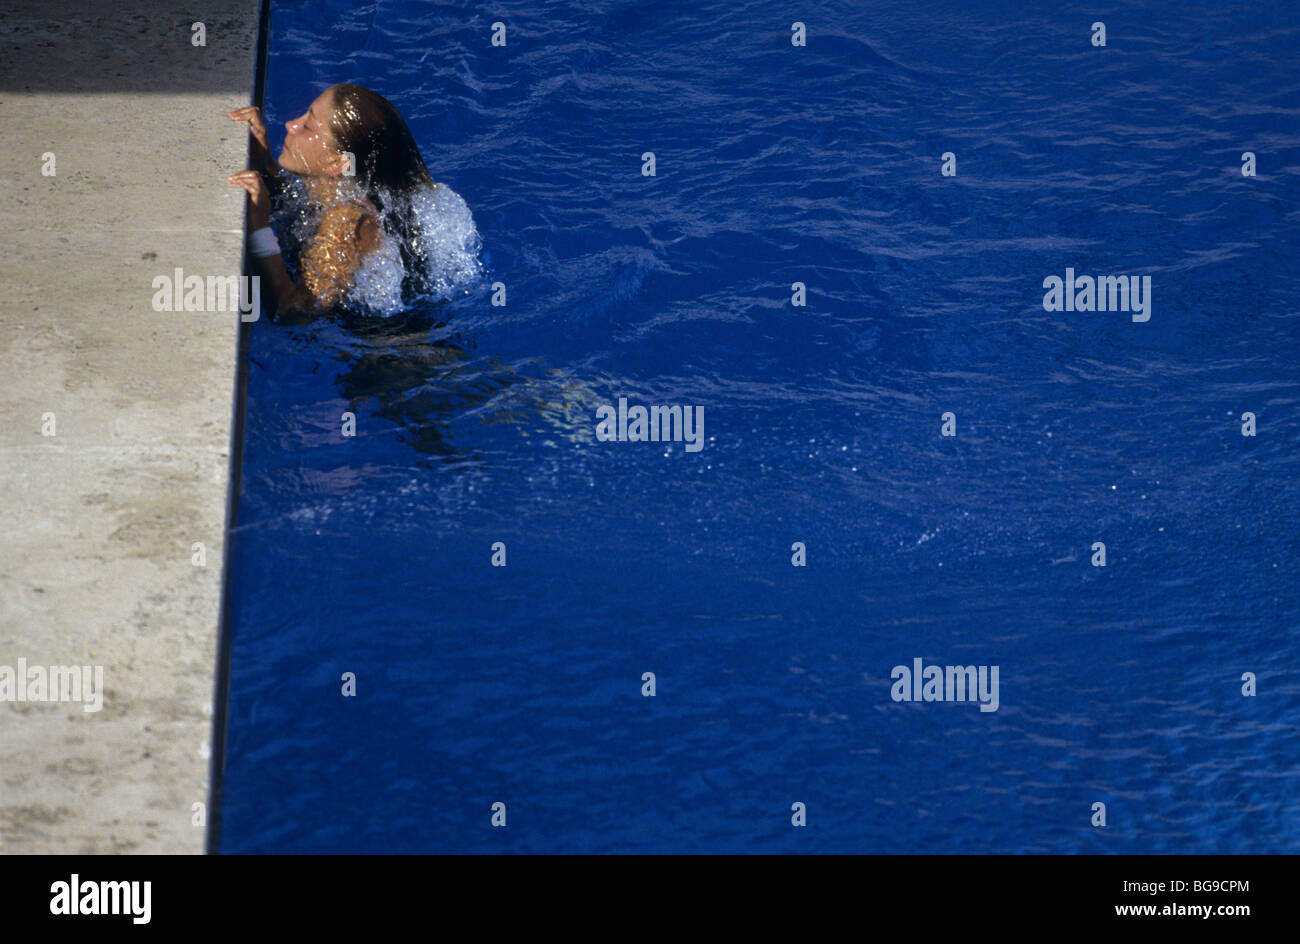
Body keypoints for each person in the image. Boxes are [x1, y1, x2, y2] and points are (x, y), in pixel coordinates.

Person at [227, 84, 438, 321]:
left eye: (307, 126)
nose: (290, 124)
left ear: (337, 163)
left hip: (384, 348)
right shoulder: (330, 196)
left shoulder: (346, 218)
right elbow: (293, 208)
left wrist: (259, 228)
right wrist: (263, 161)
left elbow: (294, 311)